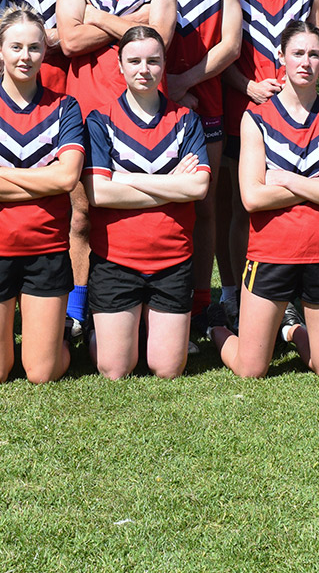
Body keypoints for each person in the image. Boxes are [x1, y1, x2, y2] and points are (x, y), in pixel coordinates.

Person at [55, 0, 177, 338]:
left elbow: (158, 40)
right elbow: (69, 40)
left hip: (147, 111)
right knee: (83, 214)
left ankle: (142, 308)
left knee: (142, 210)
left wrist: (99, 17)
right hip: (87, 108)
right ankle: (77, 310)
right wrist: (133, 21)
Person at [210, 20, 319, 378]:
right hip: (270, 256)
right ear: (281, 56)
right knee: (251, 370)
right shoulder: (256, 118)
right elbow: (252, 197)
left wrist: (289, 180)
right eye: (297, 53)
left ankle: (291, 330)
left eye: (314, 54)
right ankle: (214, 328)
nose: (305, 62)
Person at [0, 7, 84, 383]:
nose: (25, 57)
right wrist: (40, 176)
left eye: (34, 48)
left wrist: (0, 175)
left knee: (42, 373)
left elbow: (66, 179)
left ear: (46, 51)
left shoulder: (65, 107)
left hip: (46, 248)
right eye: (16, 47)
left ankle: (56, 336)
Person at [140, 0, 241, 338]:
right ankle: (143, 301)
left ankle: (201, 305)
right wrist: (164, 87)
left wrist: (182, 81)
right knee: (148, 200)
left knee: (202, 206)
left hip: (205, 101)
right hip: (147, 104)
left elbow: (231, 45)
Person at [219, 0, 319, 318]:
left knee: (294, 202)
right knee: (241, 205)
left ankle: (291, 296)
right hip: (242, 107)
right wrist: (247, 87)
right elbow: (219, 48)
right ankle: (234, 293)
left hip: (298, 115)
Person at [84, 27, 210, 379]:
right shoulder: (100, 120)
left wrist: (122, 178)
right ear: (120, 66)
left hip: (172, 261)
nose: (144, 69)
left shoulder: (185, 120)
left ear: (163, 64)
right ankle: (105, 329)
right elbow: (98, 193)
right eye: (134, 61)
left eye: (153, 61)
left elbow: (198, 187)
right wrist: (173, 183)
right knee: (115, 369)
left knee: (167, 368)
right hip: (116, 262)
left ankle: (139, 327)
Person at [201, 0, 251, 317]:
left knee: (233, 204)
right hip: (180, 100)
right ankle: (205, 294)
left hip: (235, 106)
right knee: (205, 204)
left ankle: (236, 290)